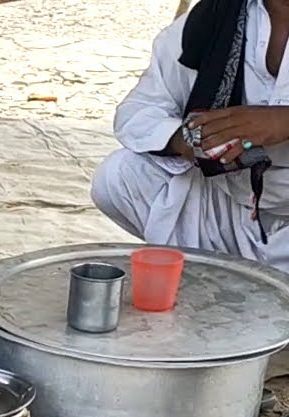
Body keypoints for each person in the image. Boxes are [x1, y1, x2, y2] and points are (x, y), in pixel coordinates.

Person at [91, 0, 289, 271]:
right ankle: (221, 270)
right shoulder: (216, 15)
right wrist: (189, 139)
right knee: (119, 176)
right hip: (230, 205)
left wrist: (281, 121)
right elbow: (138, 109)